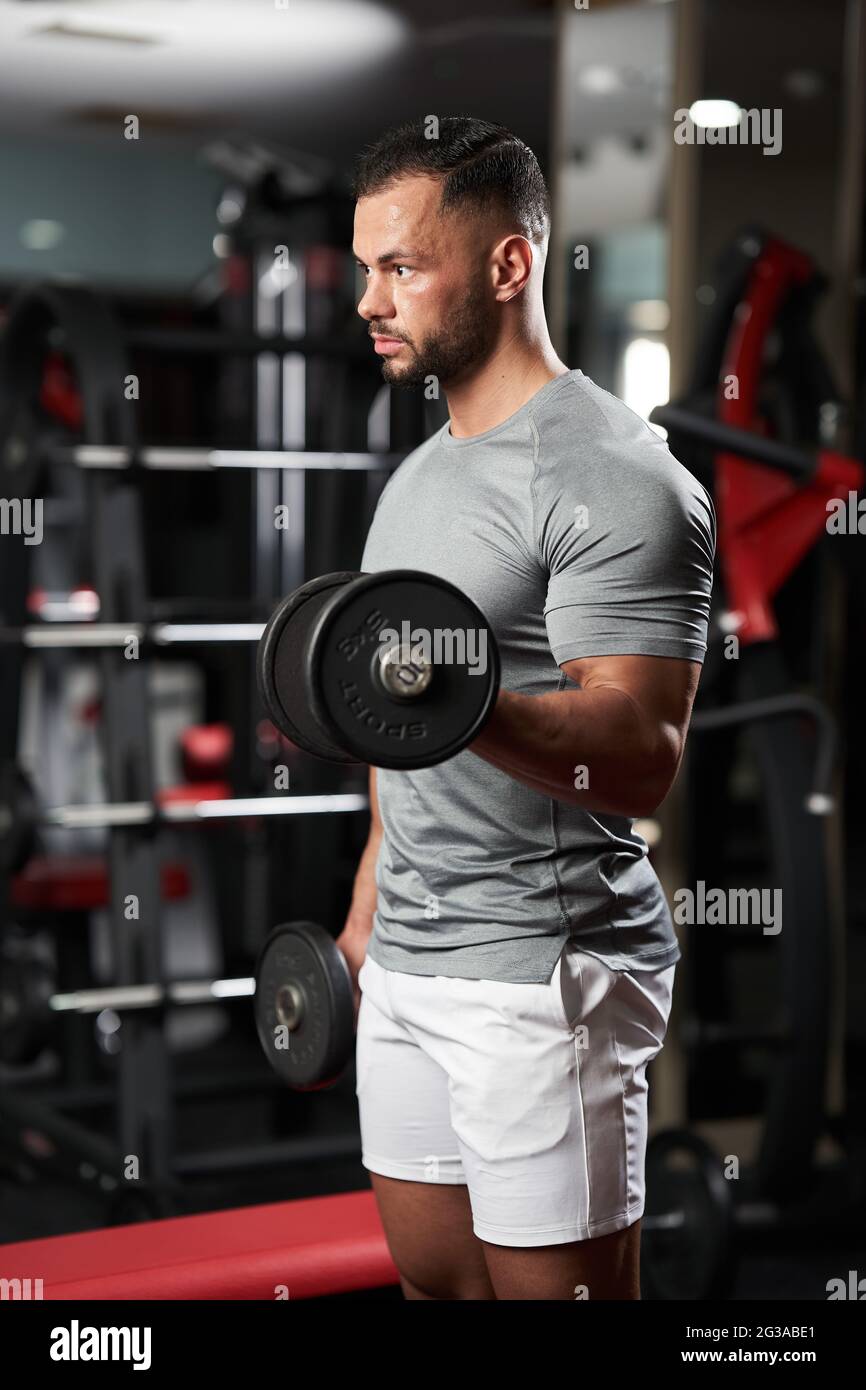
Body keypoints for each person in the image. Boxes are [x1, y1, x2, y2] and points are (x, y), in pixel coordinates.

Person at [335, 116, 716, 1300]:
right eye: (364, 268)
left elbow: (639, 753)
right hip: (409, 959)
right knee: (435, 1287)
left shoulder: (614, 475)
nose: (367, 300)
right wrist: (364, 911)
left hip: (540, 974)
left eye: (401, 267)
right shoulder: (419, 475)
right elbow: (389, 728)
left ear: (508, 265)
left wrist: (453, 697)